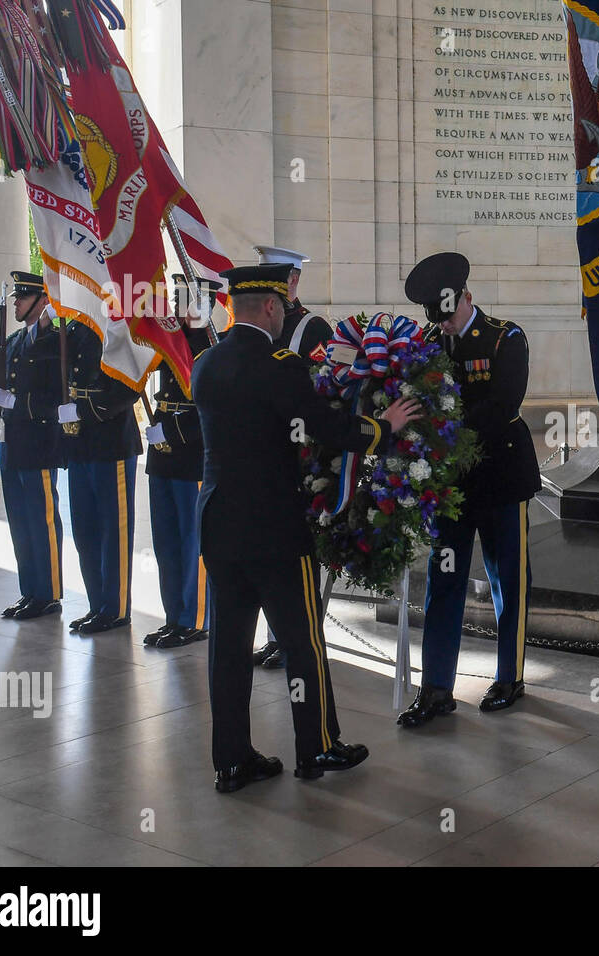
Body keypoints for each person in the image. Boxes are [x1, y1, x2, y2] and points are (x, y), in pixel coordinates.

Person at [193, 263, 422, 792]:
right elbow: (326, 428)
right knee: (302, 643)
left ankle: (231, 760)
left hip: (218, 523)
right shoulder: (279, 364)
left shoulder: (206, 363)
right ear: (272, 307)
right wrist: (381, 428)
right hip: (274, 527)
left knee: (227, 648)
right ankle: (316, 746)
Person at [397, 252, 542, 727]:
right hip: (451, 489)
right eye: (439, 321)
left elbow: (503, 404)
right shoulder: (428, 345)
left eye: (452, 315)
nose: (447, 327)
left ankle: (509, 677)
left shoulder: (506, 338)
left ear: (468, 298)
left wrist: (441, 426)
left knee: (508, 583)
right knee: (445, 582)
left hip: (501, 478)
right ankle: (436, 688)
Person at [250, 244, 333, 668]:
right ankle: (276, 635)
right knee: (268, 550)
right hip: (263, 455)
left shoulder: (311, 327)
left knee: (298, 553)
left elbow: (319, 391)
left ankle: (300, 637)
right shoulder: (255, 328)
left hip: (298, 456)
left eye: (276, 278)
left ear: (294, 282)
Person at [143, 276, 218, 650]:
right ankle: (174, 616)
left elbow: (211, 410)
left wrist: (171, 430)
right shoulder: (173, 344)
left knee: (193, 543)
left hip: (192, 456)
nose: (177, 308)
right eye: (177, 299)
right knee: (166, 542)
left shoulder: (210, 349)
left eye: (185, 300)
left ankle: (195, 618)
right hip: (163, 454)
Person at [0, 272, 65, 620]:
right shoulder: (15, 341)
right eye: (17, 297)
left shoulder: (55, 343)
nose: (16, 303)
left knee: (42, 521)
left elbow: (56, 399)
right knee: (20, 522)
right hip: (12, 447)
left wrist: (15, 403)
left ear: (43, 301)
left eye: (23, 297)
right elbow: (3, 393)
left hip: (39, 445)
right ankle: (29, 590)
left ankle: (48, 594)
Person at [59, 313, 144, 634]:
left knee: (114, 531)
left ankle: (116, 608)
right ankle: (97, 604)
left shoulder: (116, 328)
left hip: (111, 442)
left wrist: (84, 410)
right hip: (79, 443)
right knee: (85, 530)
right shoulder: (75, 327)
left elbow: (130, 386)